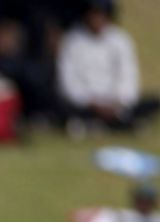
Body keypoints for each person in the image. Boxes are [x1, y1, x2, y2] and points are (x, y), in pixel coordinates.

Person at [56, 0, 158, 134]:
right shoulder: (73, 40)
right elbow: (69, 81)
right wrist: (92, 103)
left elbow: (128, 76)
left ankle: (98, 124)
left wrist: (118, 103)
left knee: (153, 102)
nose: (97, 19)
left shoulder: (120, 40)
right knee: (58, 104)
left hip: (115, 103)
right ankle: (120, 124)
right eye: (94, 14)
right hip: (86, 104)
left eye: (101, 15)